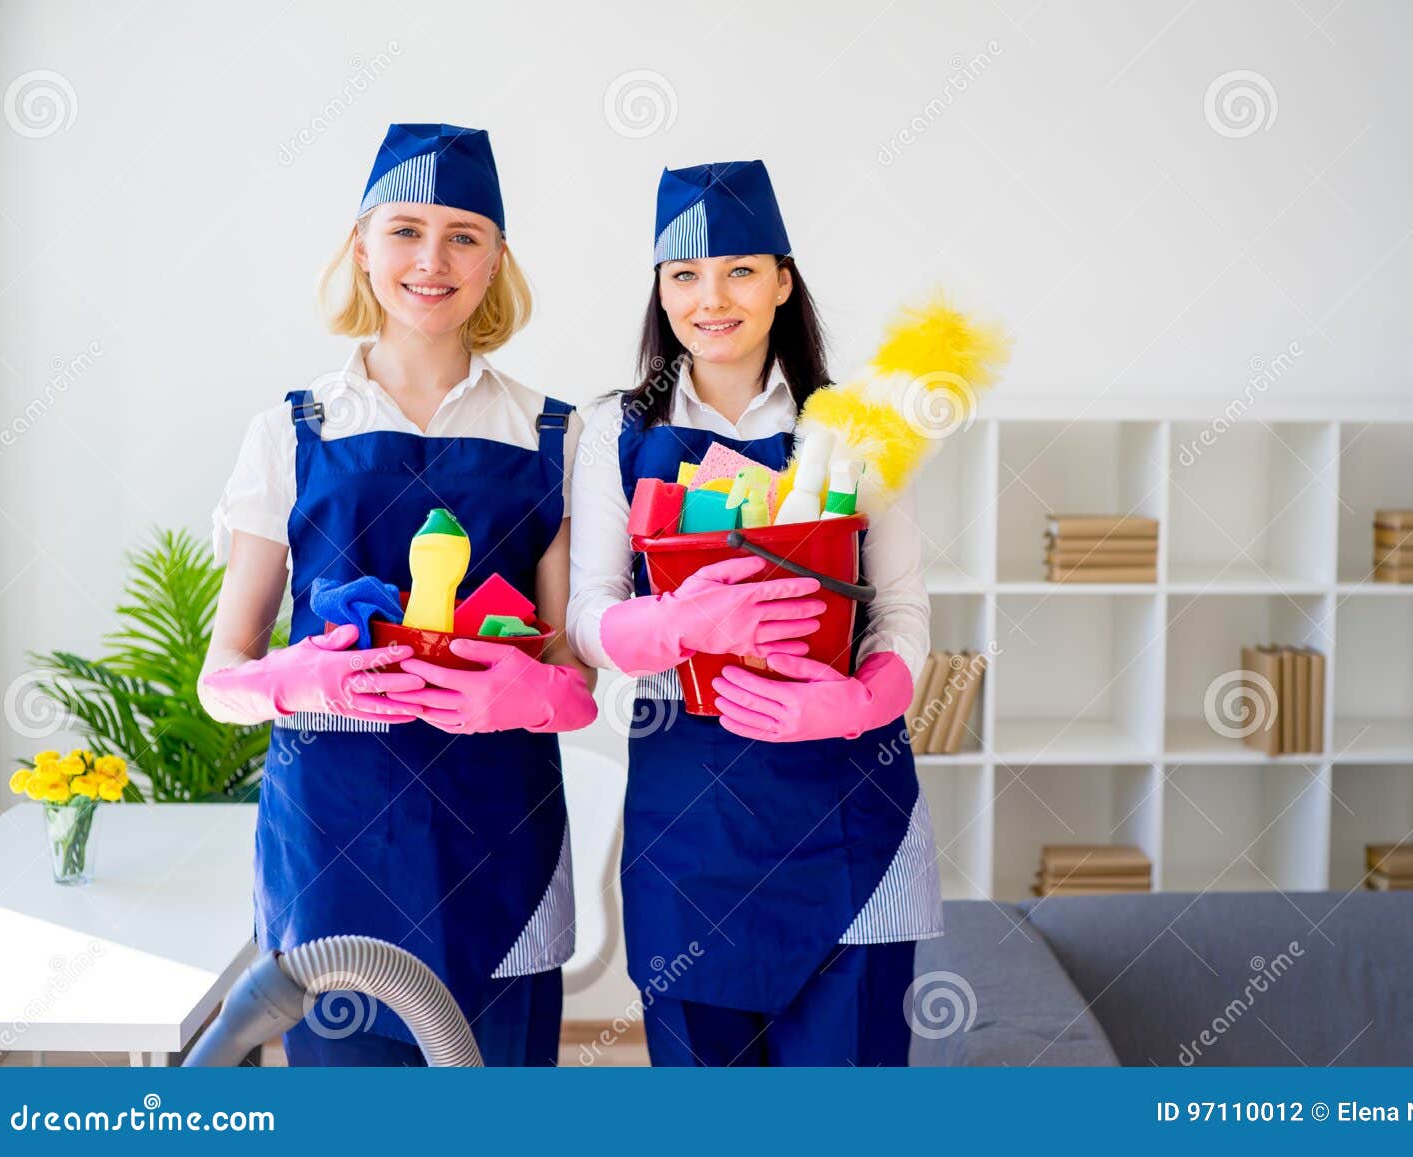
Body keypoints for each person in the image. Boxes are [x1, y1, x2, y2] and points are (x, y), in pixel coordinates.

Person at [199, 123, 595, 1066]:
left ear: (496, 259)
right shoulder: (291, 432)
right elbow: (223, 676)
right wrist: (301, 679)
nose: (432, 260)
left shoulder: (553, 435)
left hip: (502, 848)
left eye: (464, 235)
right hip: (331, 853)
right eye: (406, 230)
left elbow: (575, 675)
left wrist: (531, 692)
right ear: (362, 247)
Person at [567, 160, 942, 1066]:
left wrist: (859, 701)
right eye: (685, 275)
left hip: (852, 822)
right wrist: (680, 627)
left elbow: (900, 611)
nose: (712, 298)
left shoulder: (853, 428)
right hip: (690, 832)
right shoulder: (615, 430)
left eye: (739, 270)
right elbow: (587, 616)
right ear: (661, 291)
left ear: (781, 280)